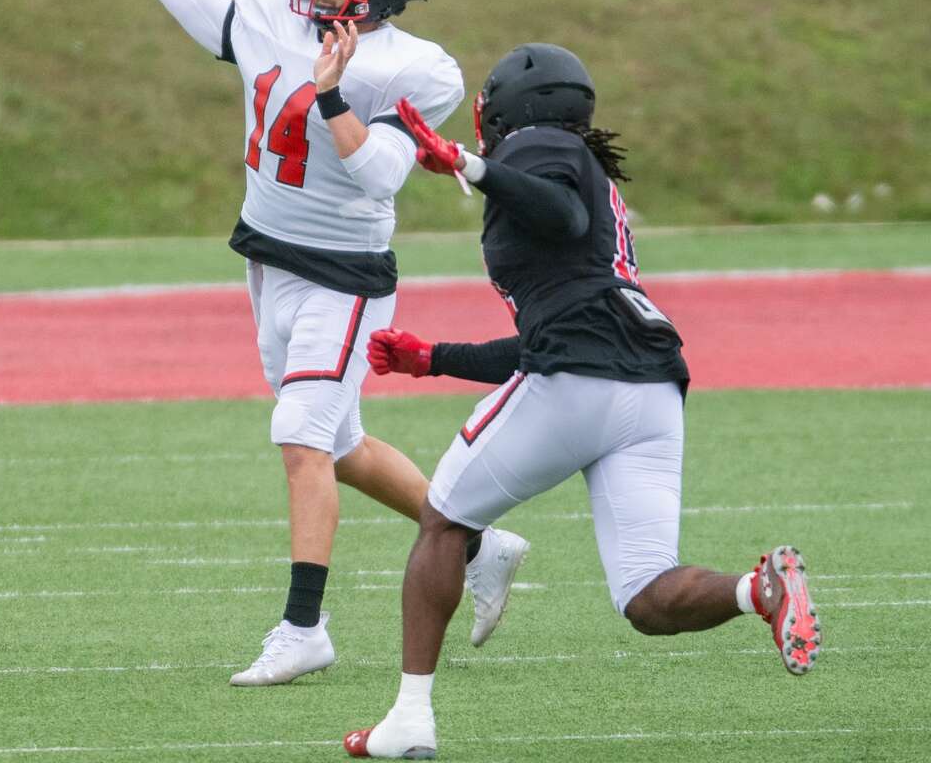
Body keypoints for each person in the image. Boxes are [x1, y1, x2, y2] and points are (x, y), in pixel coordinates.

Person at [343, 43, 822, 758]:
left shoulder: (536, 145)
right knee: (647, 598)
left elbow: (562, 222)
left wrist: (469, 166)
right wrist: (433, 359)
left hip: (583, 380)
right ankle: (758, 592)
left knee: (444, 523)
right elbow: (552, 333)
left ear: (507, 110)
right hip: (650, 387)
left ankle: (410, 719)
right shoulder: (575, 167)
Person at [154, 0, 530, 687]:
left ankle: (304, 628)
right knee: (336, 444)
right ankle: (476, 542)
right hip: (268, 256)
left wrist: (331, 95)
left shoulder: (411, 67)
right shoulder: (262, 10)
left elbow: (383, 174)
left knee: (298, 434)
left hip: (344, 273)